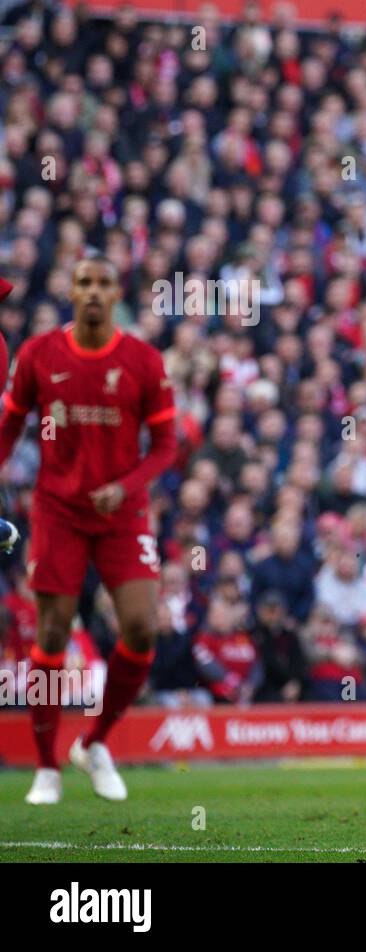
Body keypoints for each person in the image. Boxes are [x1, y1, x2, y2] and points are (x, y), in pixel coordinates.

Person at [0, 256, 176, 805]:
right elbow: (9, 425)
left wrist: (128, 485)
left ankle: (94, 743)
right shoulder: (38, 354)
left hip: (122, 513)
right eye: (84, 284)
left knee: (142, 628)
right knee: (50, 636)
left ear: (116, 292)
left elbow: (168, 447)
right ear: (71, 292)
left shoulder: (143, 360)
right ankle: (47, 767)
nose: (94, 293)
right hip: (59, 511)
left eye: (103, 283)